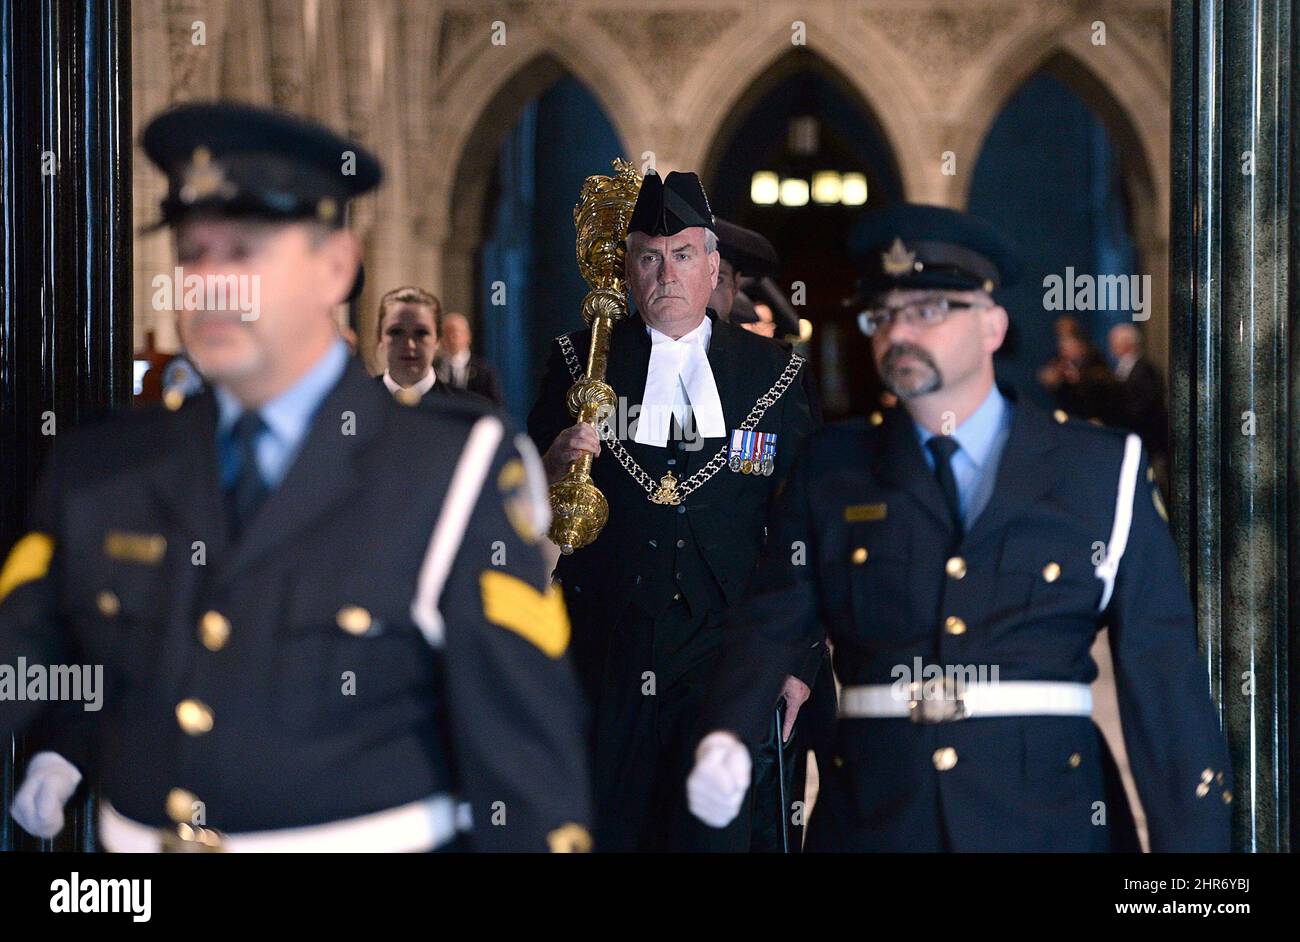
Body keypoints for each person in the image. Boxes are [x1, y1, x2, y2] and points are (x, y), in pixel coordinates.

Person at [1, 101, 591, 852]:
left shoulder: (454, 467)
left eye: (243, 252)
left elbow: (528, 773)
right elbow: (24, 657)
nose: (210, 282)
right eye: (192, 253)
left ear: (335, 268)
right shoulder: (105, 464)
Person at [686, 202, 1232, 852]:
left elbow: (1163, 683)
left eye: (928, 311)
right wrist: (726, 732)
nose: (899, 334)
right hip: (876, 819)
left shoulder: (1099, 471)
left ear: (993, 325)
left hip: (1045, 821)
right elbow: (771, 624)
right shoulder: (833, 469)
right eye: (883, 316)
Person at [528, 170, 817, 851]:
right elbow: (521, 501)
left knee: (714, 834)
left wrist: (800, 660)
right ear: (625, 269)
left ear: (713, 266)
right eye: (649, 257)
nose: (666, 273)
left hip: (729, 650)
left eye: (683, 254)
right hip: (607, 646)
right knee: (610, 826)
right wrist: (550, 462)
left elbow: (801, 529)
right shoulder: (580, 363)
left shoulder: (773, 372)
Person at [374, 285, 475, 407]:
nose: (409, 345)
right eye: (396, 332)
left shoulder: (466, 411)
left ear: (438, 339)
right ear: (380, 336)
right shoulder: (351, 404)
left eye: (421, 333)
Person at [1107, 322, 1169, 469]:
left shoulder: (1145, 369)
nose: (1111, 346)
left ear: (1127, 343)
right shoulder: (1121, 367)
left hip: (1144, 436)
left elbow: (1145, 403)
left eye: (1115, 342)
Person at [435, 312, 504, 405]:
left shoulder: (484, 371)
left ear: (468, 336)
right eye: (445, 333)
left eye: (455, 333)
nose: (450, 338)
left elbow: (496, 405)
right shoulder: (433, 368)